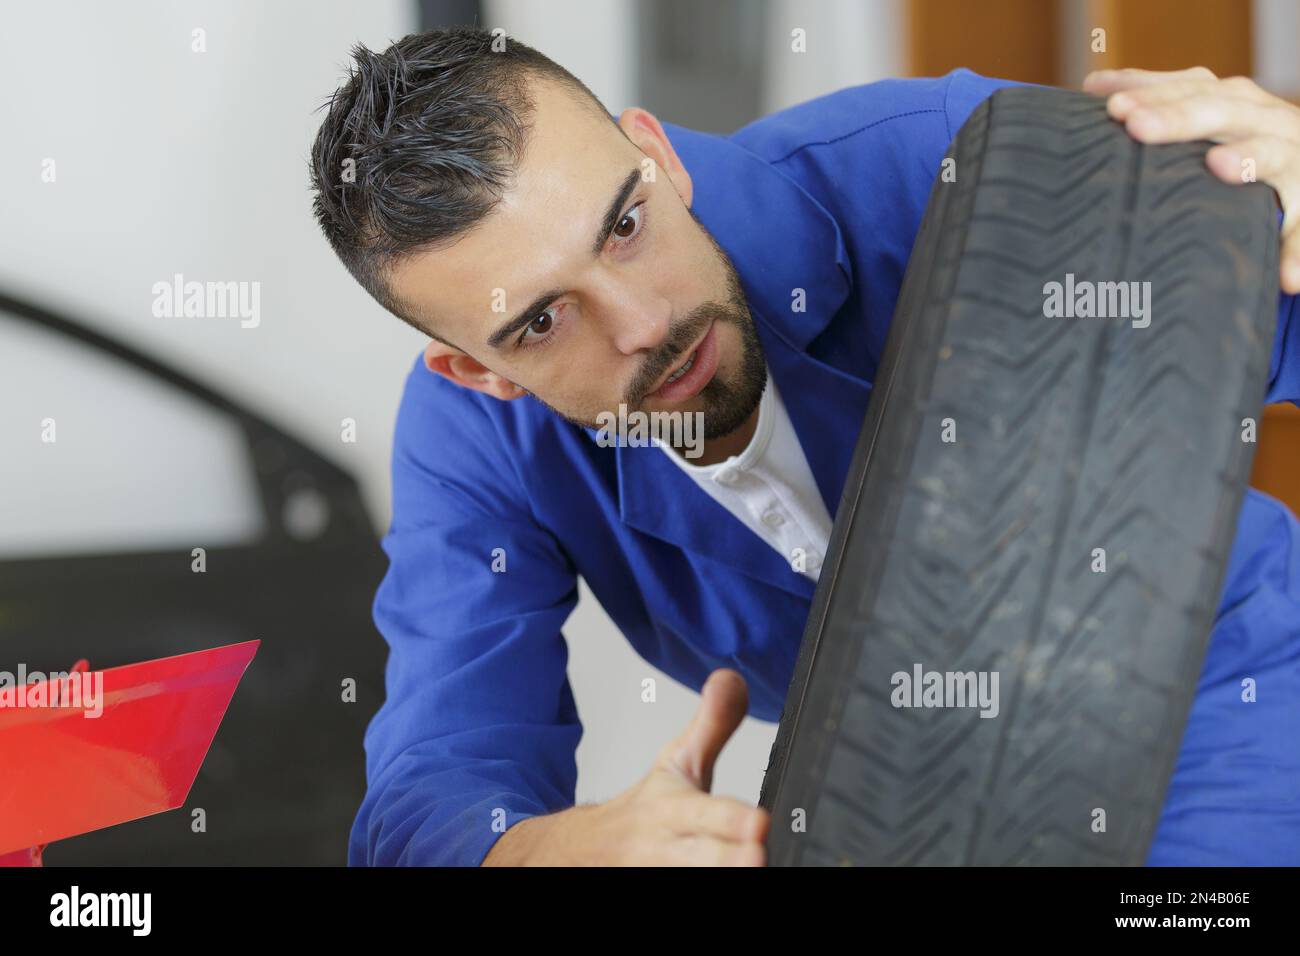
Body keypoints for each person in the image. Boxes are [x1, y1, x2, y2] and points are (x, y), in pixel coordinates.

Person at [309, 27, 1300, 866]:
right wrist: (553, 849)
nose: (642, 322)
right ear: (477, 371)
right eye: (539, 323)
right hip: (889, 795)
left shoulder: (948, 161)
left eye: (623, 224)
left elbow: (1257, 317)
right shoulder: (475, 436)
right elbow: (434, 773)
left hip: (1206, 685)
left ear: (656, 152)